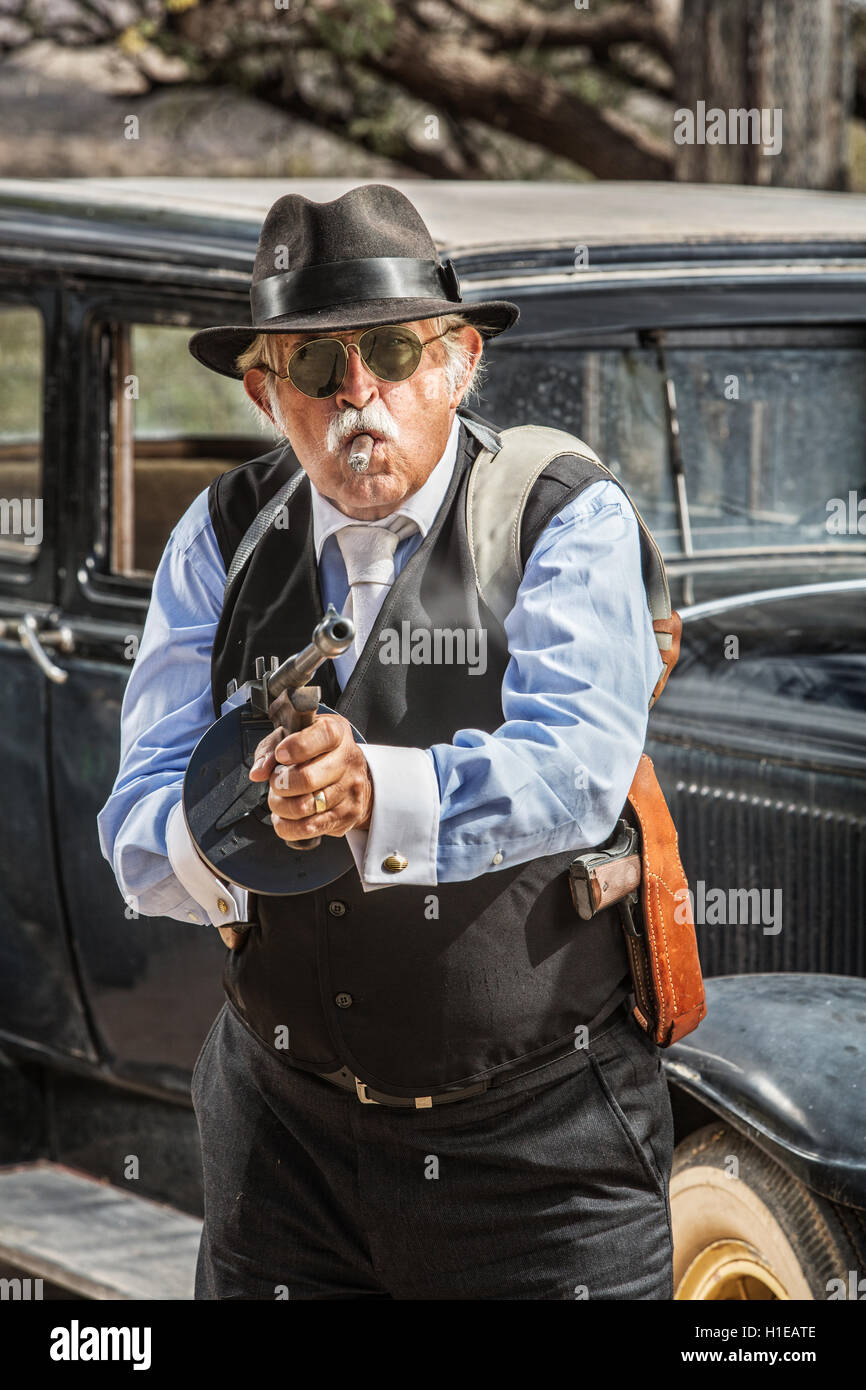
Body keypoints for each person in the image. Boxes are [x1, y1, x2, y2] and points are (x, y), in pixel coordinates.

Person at [98, 183, 675, 1300]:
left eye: (391, 352)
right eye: (315, 367)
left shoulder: (560, 509)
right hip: (282, 1140)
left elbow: (573, 767)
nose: (356, 393)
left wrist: (373, 794)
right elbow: (134, 830)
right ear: (268, 392)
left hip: (538, 1151)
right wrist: (239, 818)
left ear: (455, 362)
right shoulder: (218, 535)